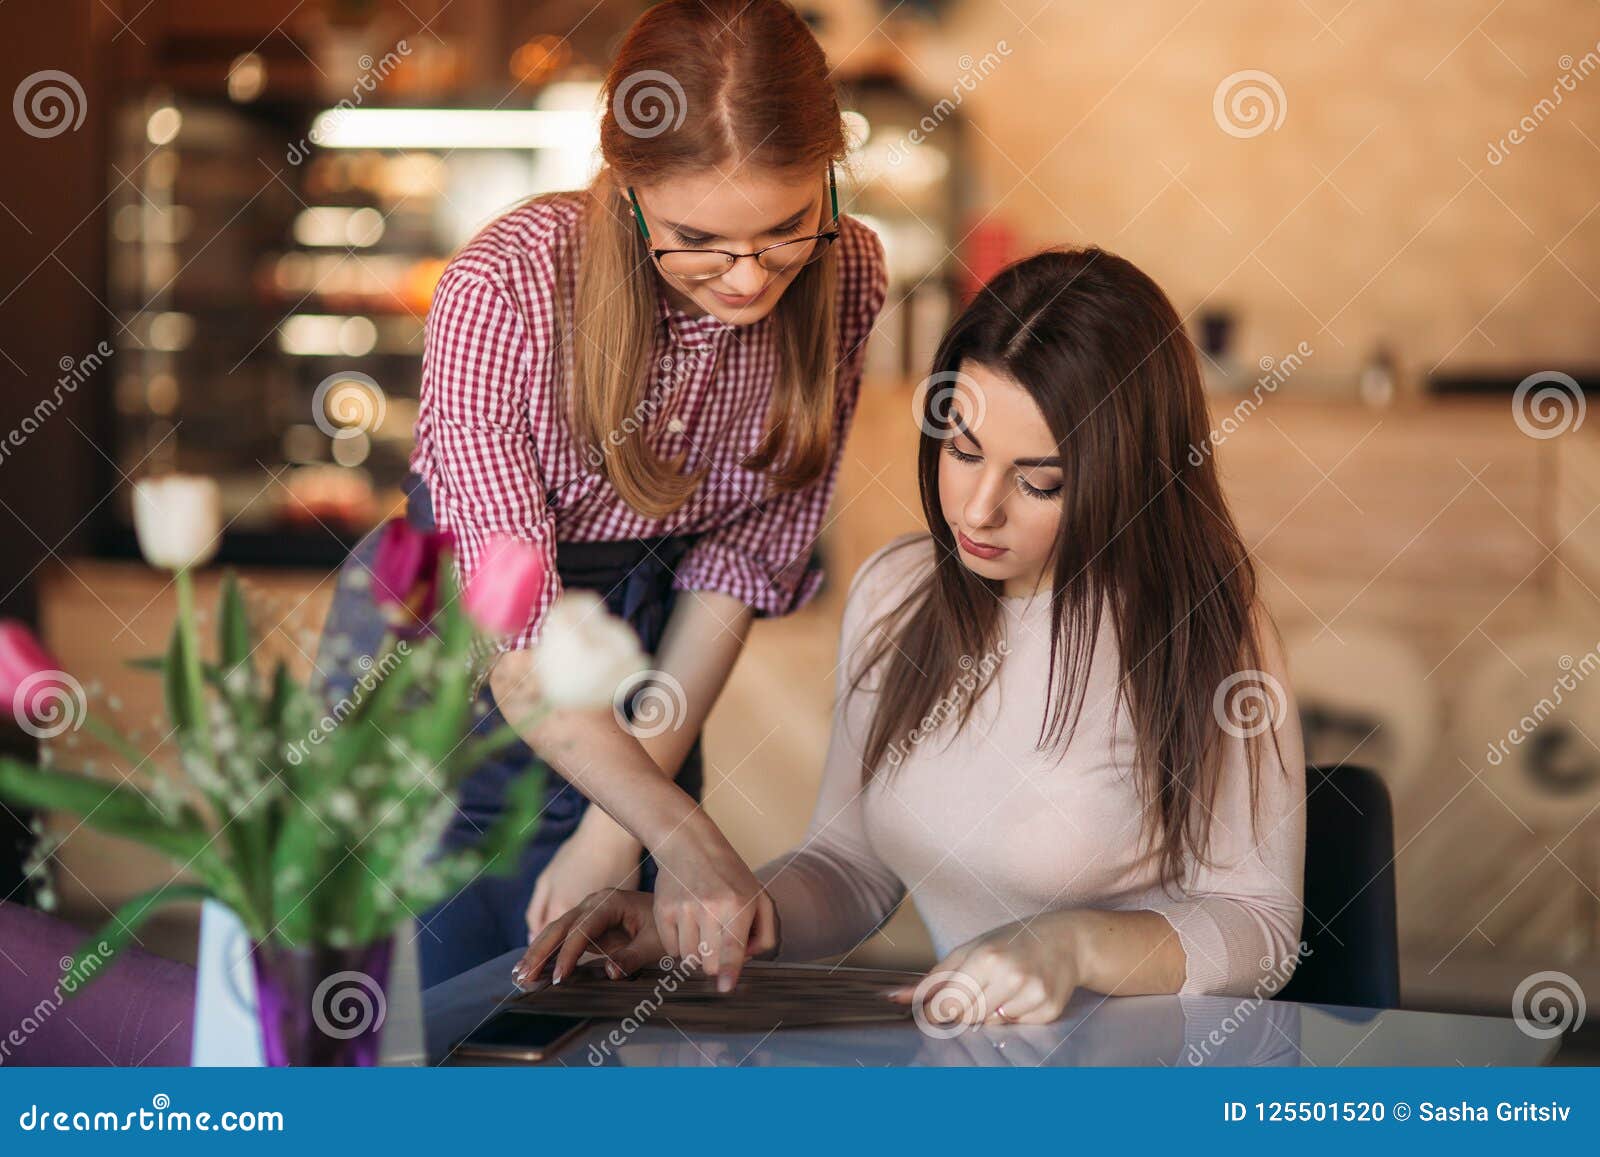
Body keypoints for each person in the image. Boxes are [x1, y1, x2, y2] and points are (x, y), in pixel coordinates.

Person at [512, 247, 1307, 1022]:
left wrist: (1072, 946)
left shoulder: (1205, 623)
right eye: (963, 450)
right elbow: (849, 867)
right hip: (972, 1062)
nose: (978, 510)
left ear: (1128, 473)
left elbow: (1262, 927)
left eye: (1040, 482)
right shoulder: (897, 590)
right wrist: (702, 924)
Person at [320, 0, 888, 988]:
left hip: (647, 676)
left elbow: (734, 570)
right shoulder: (505, 288)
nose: (747, 279)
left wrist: (619, 829)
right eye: (698, 238)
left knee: (602, 1007)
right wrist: (681, 832)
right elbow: (516, 647)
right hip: (447, 674)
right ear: (626, 186)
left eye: (785, 229)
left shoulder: (850, 274)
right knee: (414, 1013)